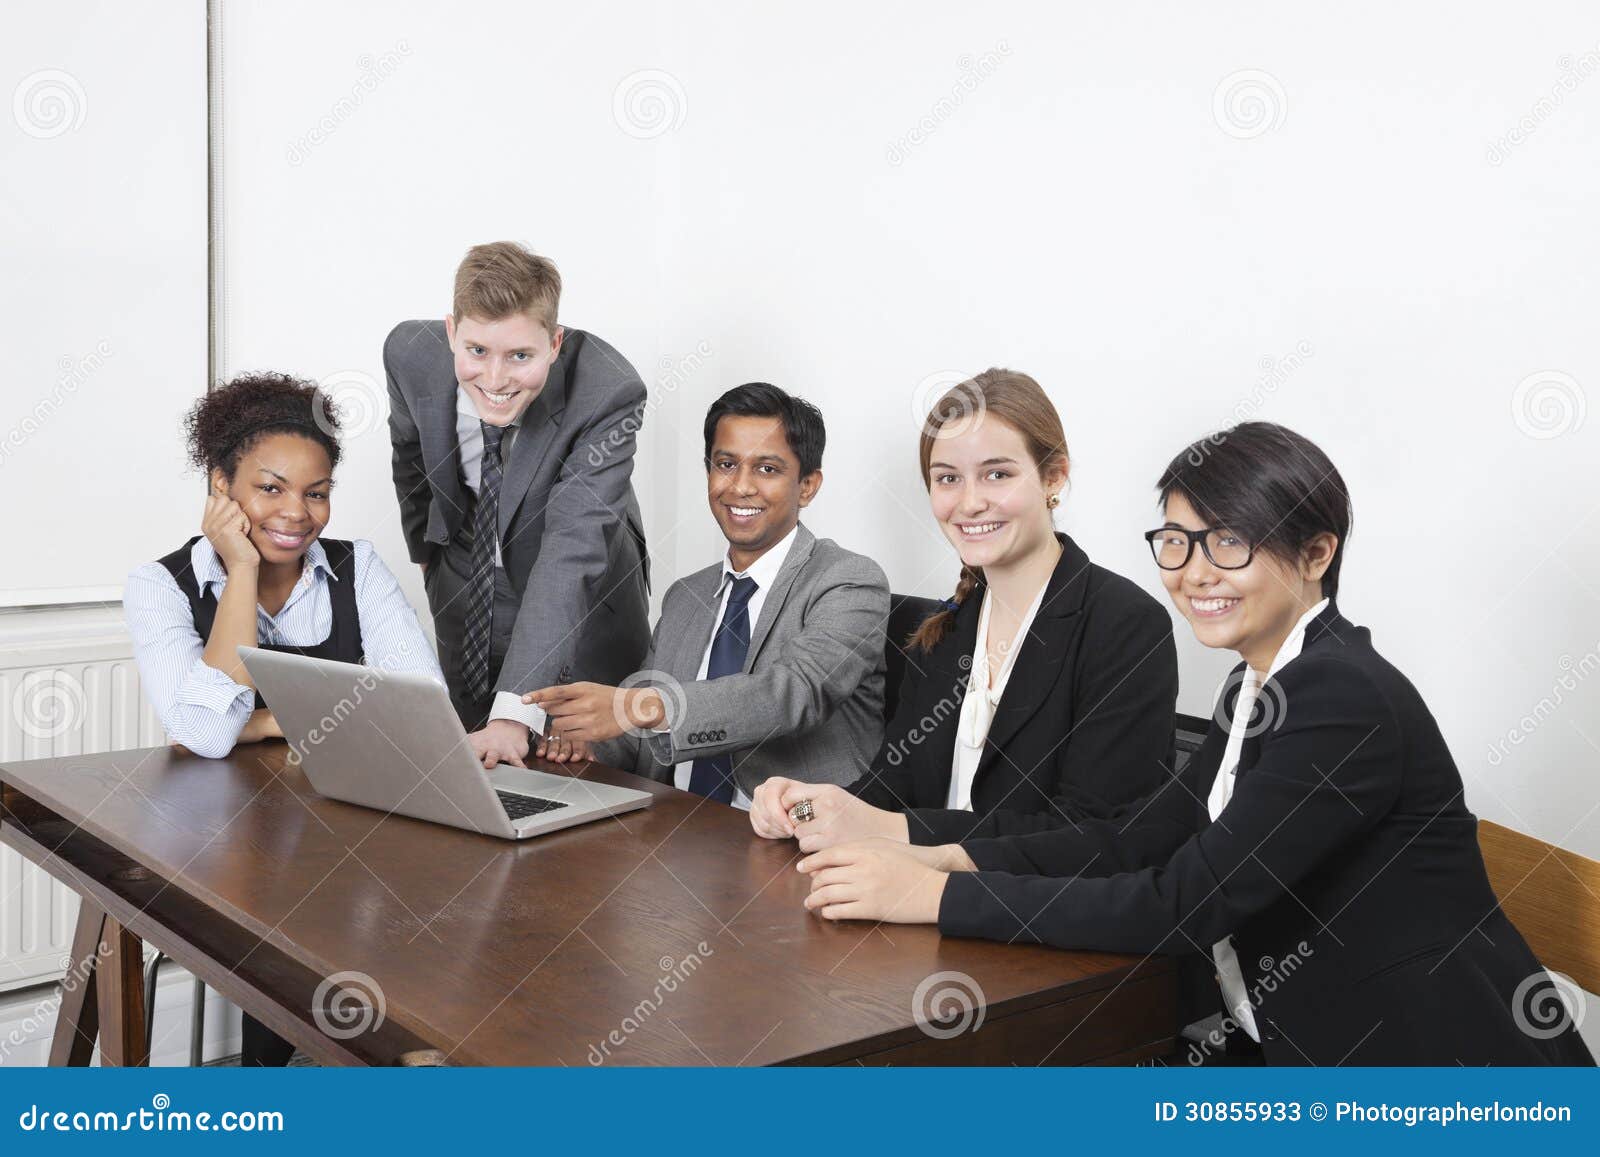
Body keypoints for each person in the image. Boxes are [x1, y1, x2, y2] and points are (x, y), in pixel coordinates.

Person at [797, 421, 1596, 1066]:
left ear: (1317, 555)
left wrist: (930, 898)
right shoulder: (1261, 683)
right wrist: (934, 855)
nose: (1193, 572)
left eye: (1229, 542)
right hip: (1279, 1046)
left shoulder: (1342, 695)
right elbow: (1134, 839)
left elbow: (1181, 902)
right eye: (1177, 542)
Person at [124, 372, 442, 1065]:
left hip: (351, 823)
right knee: (286, 924)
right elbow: (207, 737)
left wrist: (261, 720)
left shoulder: (359, 570)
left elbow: (419, 708)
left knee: (439, 912)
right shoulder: (160, 585)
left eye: (317, 492)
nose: (297, 513)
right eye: (270, 487)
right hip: (226, 845)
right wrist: (239, 570)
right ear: (221, 488)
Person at [749, 368, 1178, 851]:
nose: (970, 503)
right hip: (913, 904)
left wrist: (898, 834)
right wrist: (802, 807)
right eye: (948, 478)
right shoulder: (944, 629)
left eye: (997, 474)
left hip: (1030, 921)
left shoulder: (1125, 626)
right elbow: (888, 795)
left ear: (1053, 477)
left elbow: (1088, 836)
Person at [524, 384, 889, 806]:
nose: (741, 487)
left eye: (767, 469)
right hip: (671, 821)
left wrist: (641, 706)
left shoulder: (848, 580)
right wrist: (584, 740)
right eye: (726, 464)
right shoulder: (686, 597)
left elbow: (795, 693)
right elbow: (636, 736)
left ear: (807, 486)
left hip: (789, 839)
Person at [385, 241, 650, 768]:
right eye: (477, 351)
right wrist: (426, 549)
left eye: (520, 356)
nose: (497, 379)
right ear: (449, 332)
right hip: (465, 581)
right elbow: (409, 450)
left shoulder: (608, 391)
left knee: (577, 779)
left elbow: (572, 550)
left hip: (579, 598)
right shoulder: (407, 354)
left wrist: (515, 714)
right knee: (472, 761)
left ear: (554, 343)